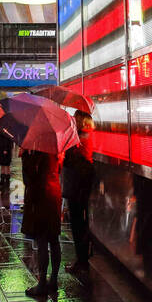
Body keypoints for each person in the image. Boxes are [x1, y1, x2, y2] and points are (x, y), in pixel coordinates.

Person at [21, 143, 63, 299]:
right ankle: (53, 280)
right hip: (54, 194)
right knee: (54, 239)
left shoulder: (39, 152)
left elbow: (29, 178)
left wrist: (25, 155)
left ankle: (42, 284)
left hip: (41, 198)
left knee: (42, 240)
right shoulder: (55, 150)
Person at [62, 112, 96, 276]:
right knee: (80, 220)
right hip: (82, 182)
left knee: (77, 222)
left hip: (77, 183)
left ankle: (82, 260)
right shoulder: (86, 135)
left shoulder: (78, 139)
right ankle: (83, 258)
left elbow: (69, 160)